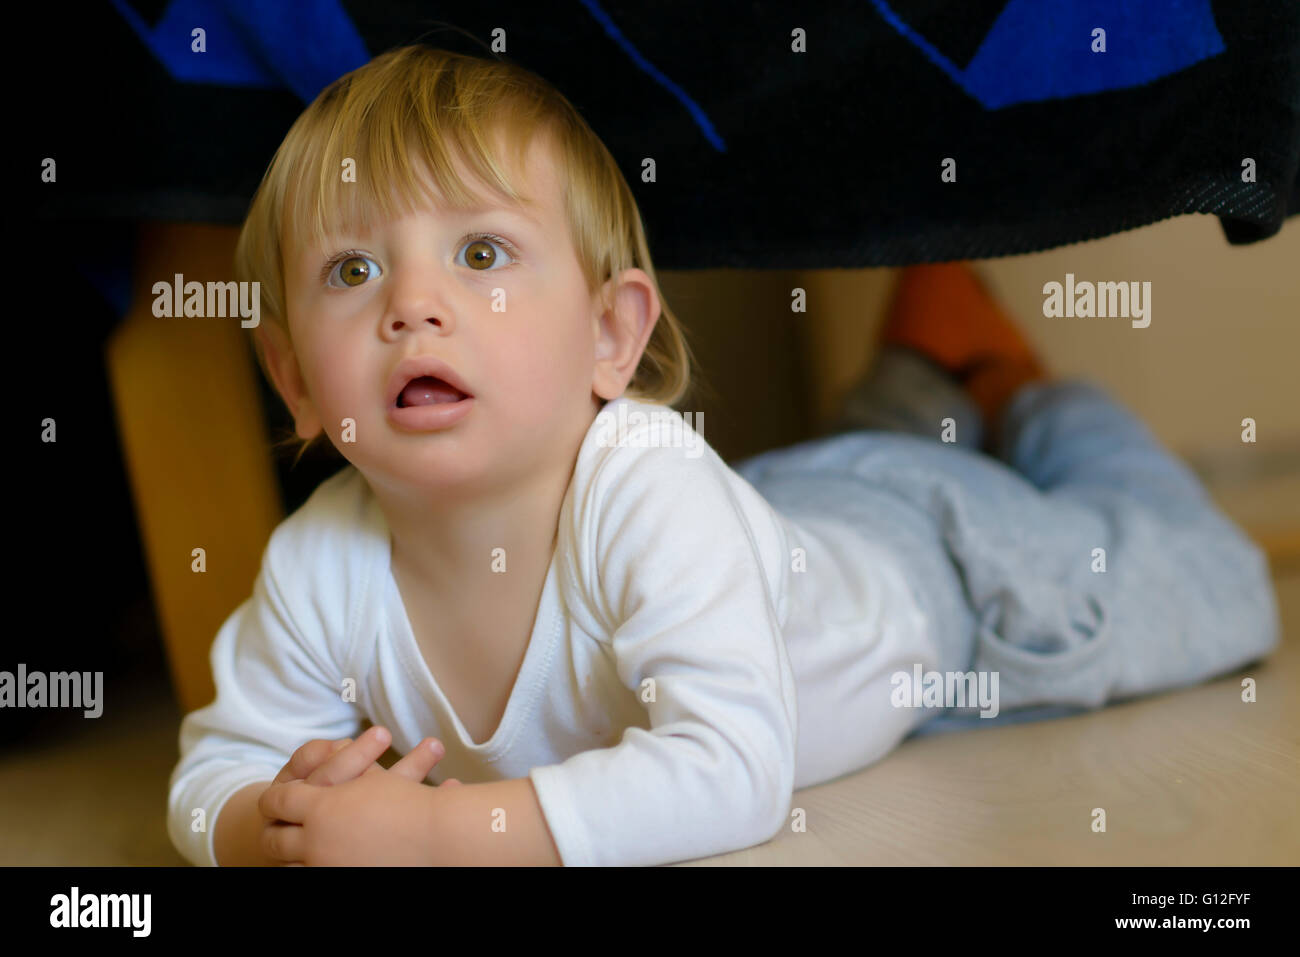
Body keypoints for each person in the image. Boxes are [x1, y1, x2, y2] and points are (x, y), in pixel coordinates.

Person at [167, 44, 1279, 868]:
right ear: (295, 379)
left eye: (479, 251)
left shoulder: (647, 485)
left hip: (947, 577)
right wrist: (270, 826)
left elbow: (732, 776)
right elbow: (212, 767)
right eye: (353, 273)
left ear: (611, 336)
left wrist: (437, 835)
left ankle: (1019, 389)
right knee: (852, 469)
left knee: (1212, 586)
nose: (414, 305)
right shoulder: (315, 567)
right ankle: (928, 359)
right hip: (780, 526)